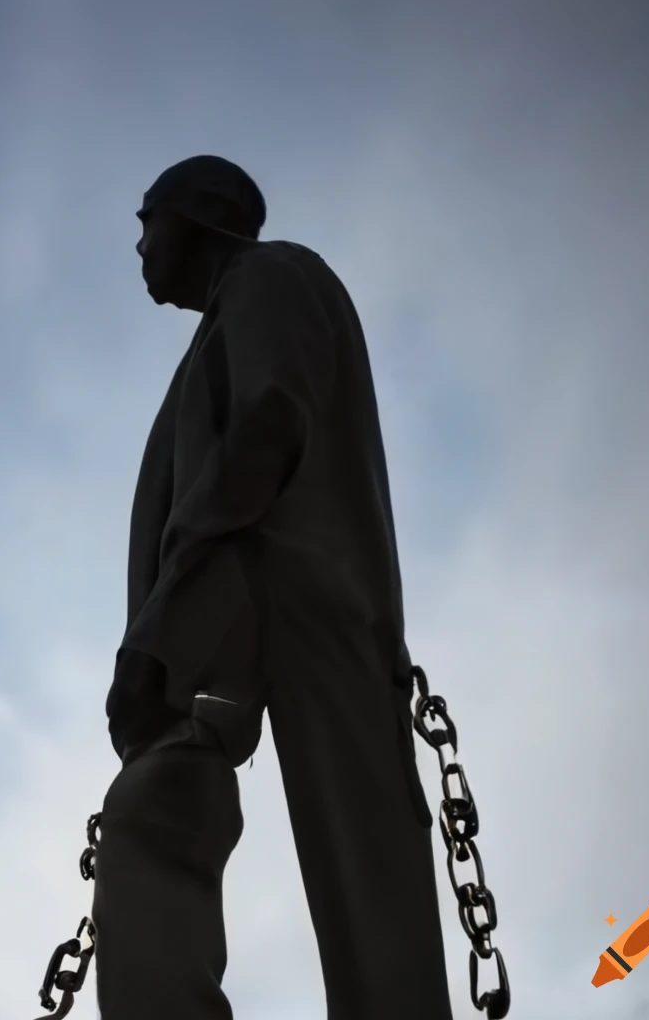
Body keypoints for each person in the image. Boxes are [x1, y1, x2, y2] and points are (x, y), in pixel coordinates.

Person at [91, 155, 454, 1019]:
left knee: (361, 876)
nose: (138, 242)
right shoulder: (226, 321)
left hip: (273, 594)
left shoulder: (272, 275)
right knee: (176, 811)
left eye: (149, 219)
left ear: (198, 213)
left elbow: (268, 423)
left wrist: (165, 627)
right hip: (249, 598)